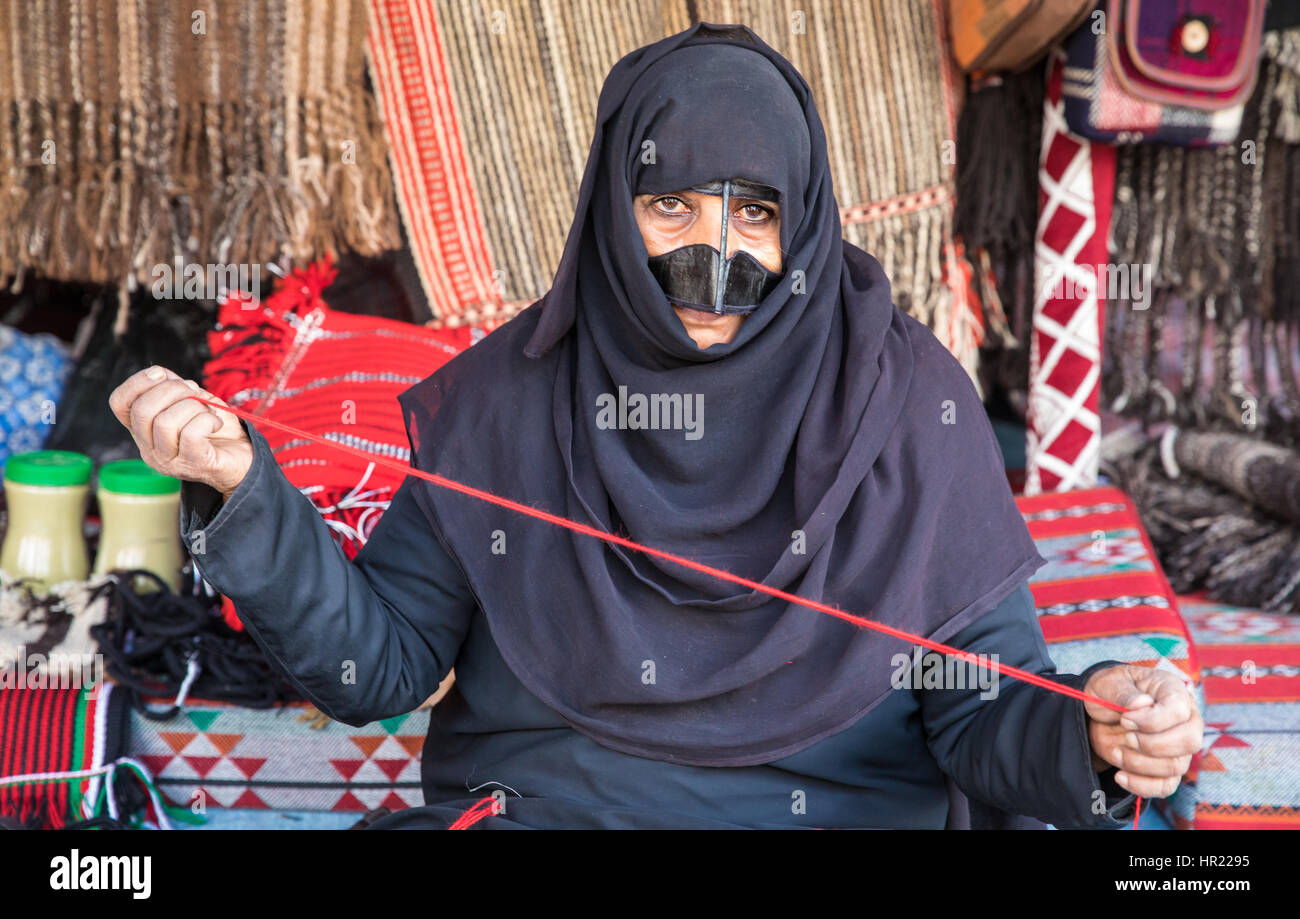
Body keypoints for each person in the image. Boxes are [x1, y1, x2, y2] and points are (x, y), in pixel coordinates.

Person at [108, 23, 1201, 829]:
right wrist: (245, 491)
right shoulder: (509, 398)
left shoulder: (908, 402)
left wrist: (1092, 735)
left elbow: (980, 709)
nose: (712, 258)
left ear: (804, 219)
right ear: (607, 209)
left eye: (754, 212)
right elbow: (375, 673)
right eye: (670, 204)